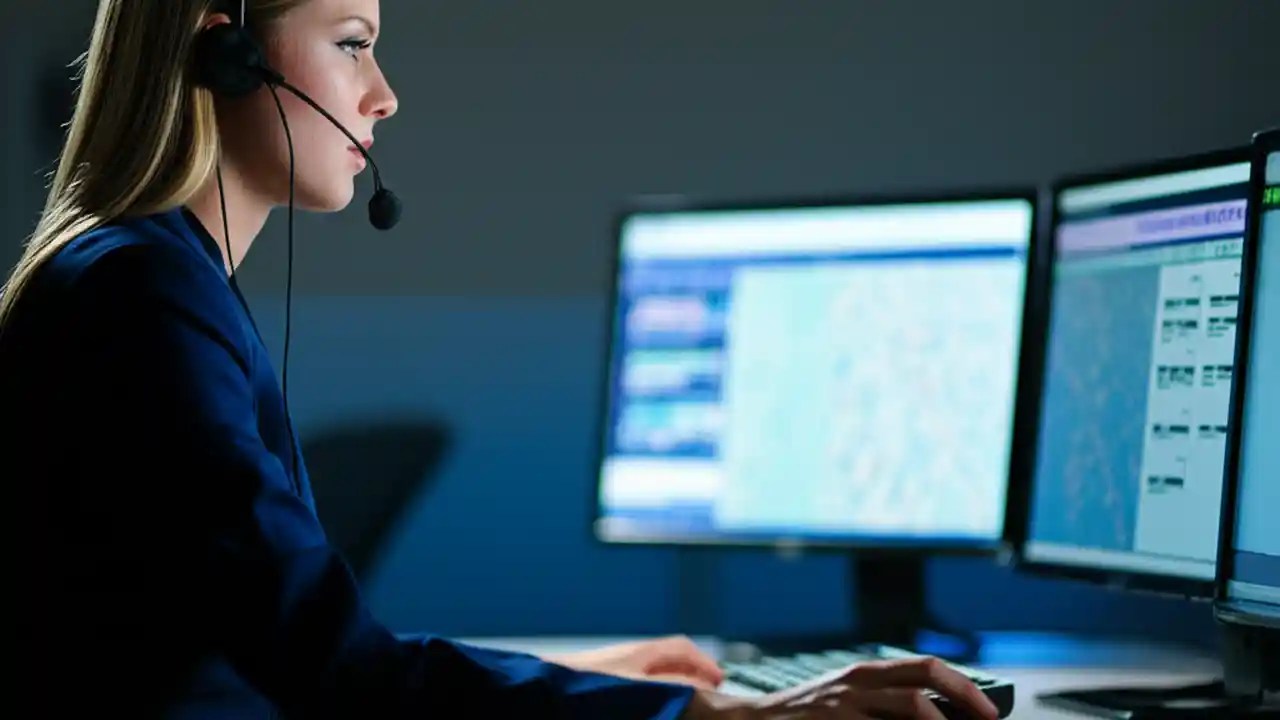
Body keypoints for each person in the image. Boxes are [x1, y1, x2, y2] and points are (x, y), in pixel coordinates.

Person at [0, 1, 1001, 718]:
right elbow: (328, 673)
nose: (383, 97)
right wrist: (711, 719)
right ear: (225, 54)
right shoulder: (144, 298)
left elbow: (281, 652)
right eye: (352, 45)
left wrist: (589, 686)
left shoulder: (152, 279)